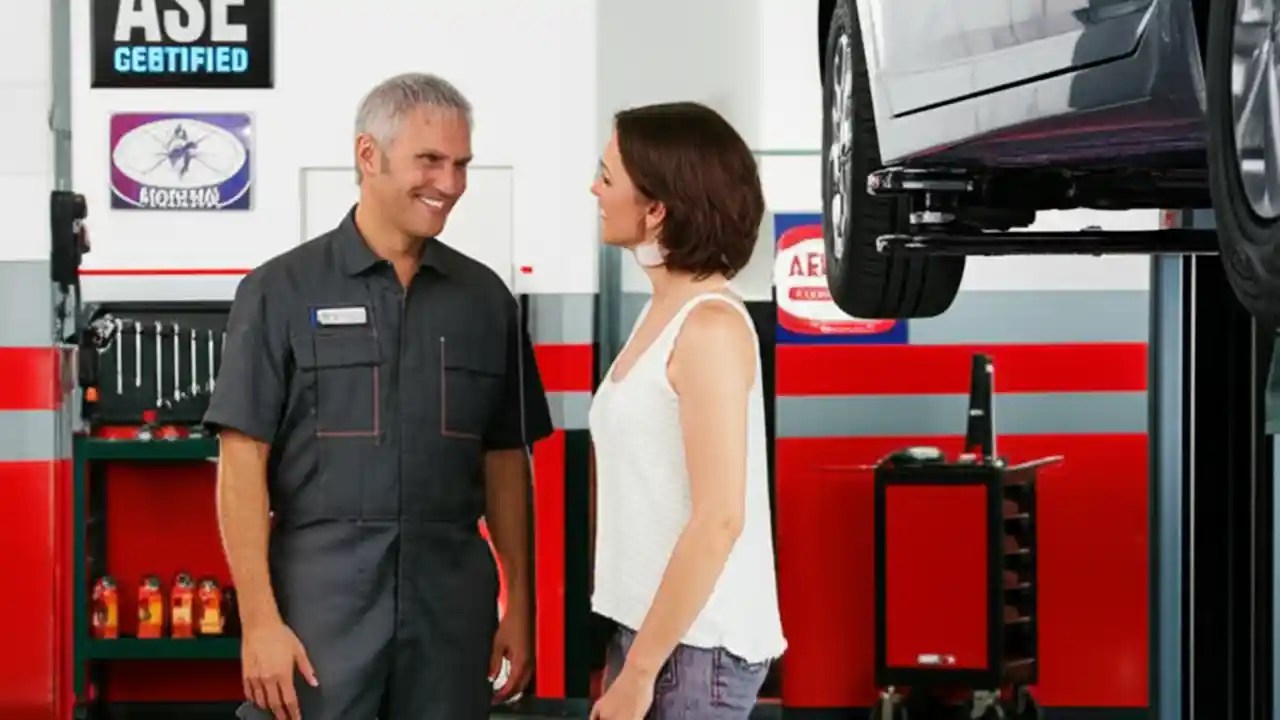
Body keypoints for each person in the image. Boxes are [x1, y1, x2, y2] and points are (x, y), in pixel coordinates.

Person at [204, 72, 554, 720]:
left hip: (451, 612)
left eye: (460, 165)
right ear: (369, 155)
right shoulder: (279, 291)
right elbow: (242, 457)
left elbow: (507, 463)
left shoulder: (486, 303)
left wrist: (522, 608)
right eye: (429, 161)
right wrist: (259, 621)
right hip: (319, 607)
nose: (449, 184)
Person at [586, 101, 787, 720]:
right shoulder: (662, 312)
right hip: (656, 636)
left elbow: (719, 519)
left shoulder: (709, 328)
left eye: (607, 175)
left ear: (656, 210)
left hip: (698, 652)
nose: (593, 187)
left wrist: (641, 672)